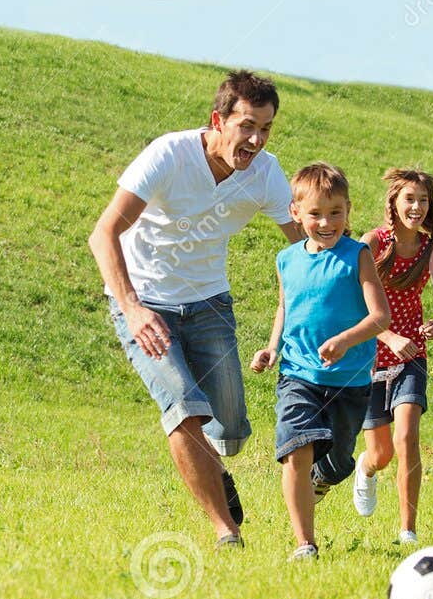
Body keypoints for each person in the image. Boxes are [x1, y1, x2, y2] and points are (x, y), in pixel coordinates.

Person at [88, 70, 302, 550]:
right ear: (218, 120)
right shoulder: (170, 155)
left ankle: (216, 466)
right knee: (183, 408)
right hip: (144, 303)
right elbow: (103, 234)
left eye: (265, 128)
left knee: (230, 427)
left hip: (210, 304)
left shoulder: (266, 174)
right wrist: (132, 308)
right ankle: (227, 531)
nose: (255, 140)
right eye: (246, 126)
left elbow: (308, 249)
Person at [250, 164, 390, 560]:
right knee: (297, 448)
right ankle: (304, 544)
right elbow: (285, 306)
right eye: (315, 214)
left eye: (335, 213)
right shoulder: (286, 259)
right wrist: (272, 347)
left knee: (338, 461)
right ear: (296, 212)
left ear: (347, 211)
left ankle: (324, 479)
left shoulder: (357, 256)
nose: (325, 222)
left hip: (349, 380)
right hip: (297, 373)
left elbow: (380, 317)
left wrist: (345, 341)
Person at [350, 169, 433, 544]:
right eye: (409, 198)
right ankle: (367, 468)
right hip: (368, 357)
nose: (417, 207)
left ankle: (407, 530)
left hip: (411, 355)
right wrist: (388, 336)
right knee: (381, 454)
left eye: (423, 200)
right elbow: (355, 301)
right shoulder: (371, 244)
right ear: (393, 202)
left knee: (408, 435)